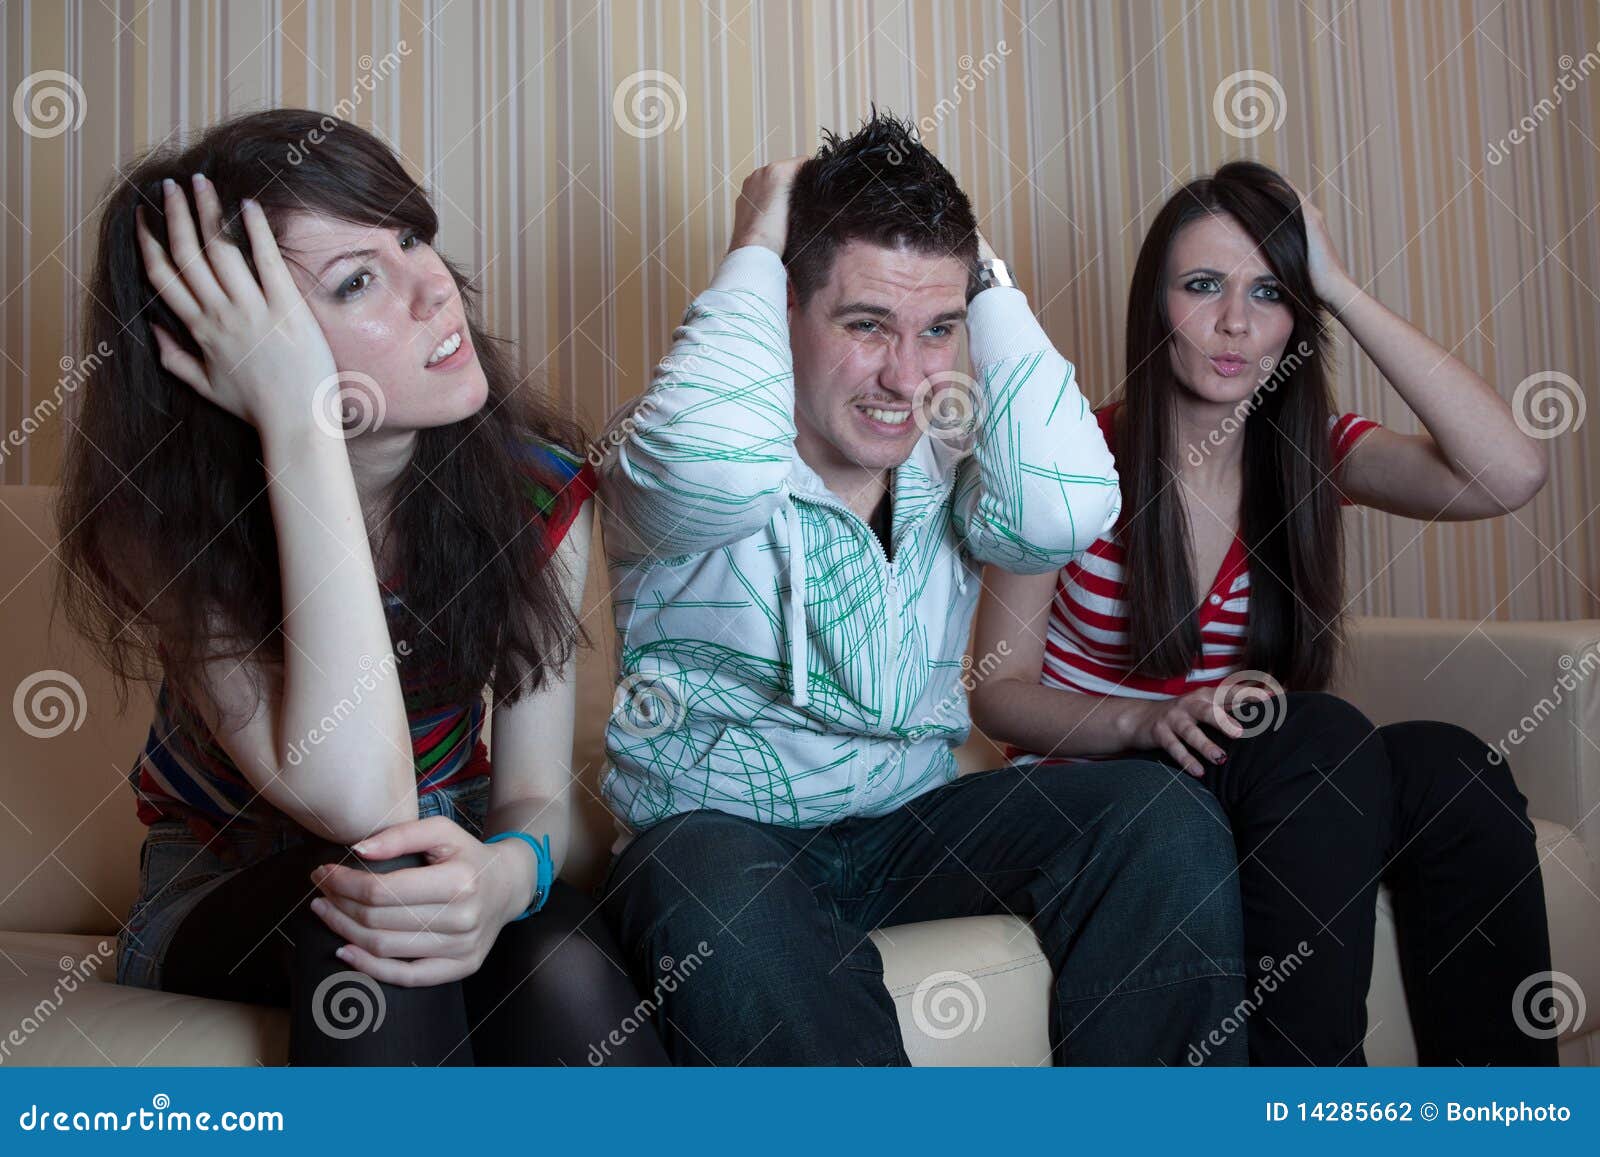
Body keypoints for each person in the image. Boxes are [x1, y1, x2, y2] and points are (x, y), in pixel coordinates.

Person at [592, 111, 1247, 1066]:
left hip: (910, 828)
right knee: (699, 874)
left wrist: (982, 274)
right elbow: (716, 460)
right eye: (866, 325)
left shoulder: (956, 448)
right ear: (781, 314)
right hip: (719, 842)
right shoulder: (675, 442)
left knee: (1160, 816)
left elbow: (1067, 506)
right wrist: (759, 239)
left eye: (938, 328)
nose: (907, 375)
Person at [58, 109, 666, 1066]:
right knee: (374, 925)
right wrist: (299, 424)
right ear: (236, 345)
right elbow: (362, 800)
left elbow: (535, 793)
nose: (436, 287)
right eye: (356, 281)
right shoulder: (164, 525)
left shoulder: (533, 490)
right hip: (229, 890)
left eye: (413, 236)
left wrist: (506, 878)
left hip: (442, 858)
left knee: (567, 969)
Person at [972, 160, 1554, 1066]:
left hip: (1267, 782)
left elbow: (1510, 473)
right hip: (1115, 792)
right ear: (1153, 305)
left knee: (1455, 766)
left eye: (1271, 293)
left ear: (1297, 321)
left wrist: (1341, 291)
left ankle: (1506, 1119)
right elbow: (997, 691)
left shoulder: (1310, 453)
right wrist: (1144, 719)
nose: (1236, 322)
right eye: (1203, 286)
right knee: (1313, 732)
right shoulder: (1071, 459)